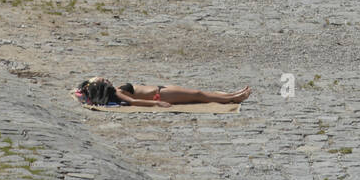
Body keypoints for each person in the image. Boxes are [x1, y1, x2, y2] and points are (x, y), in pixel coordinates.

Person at [77, 77, 250, 107]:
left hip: (161, 90)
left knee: (199, 94)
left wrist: (85, 87)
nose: (105, 79)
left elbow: (95, 78)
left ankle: (231, 95)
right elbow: (134, 102)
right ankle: (233, 98)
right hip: (160, 95)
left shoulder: (114, 89)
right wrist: (156, 103)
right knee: (198, 95)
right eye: (104, 81)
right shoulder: (116, 92)